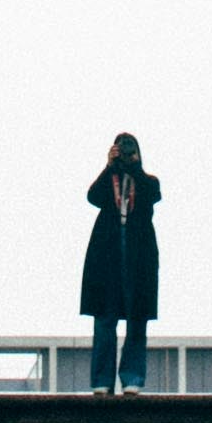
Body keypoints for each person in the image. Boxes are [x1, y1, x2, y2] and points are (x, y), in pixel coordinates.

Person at [77, 134, 160, 397]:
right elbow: (93, 197)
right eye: (122, 149)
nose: (125, 153)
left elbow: (152, 196)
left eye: (129, 149)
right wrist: (109, 166)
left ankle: (132, 378)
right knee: (104, 319)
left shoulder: (148, 182)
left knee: (137, 320)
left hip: (138, 259)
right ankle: (102, 380)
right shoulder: (107, 180)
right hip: (107, 259)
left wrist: (135, 166)